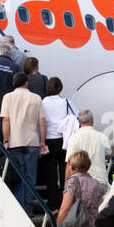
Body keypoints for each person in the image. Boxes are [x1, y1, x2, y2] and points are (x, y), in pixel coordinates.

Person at [0, 72, 47, 214]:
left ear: (14, 83)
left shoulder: (8, 97)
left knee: (18, 177)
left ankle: (19, 210)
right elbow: (42, 121)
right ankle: (28, 208)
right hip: (32, 141)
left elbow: (6, 120)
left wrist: (6, 140)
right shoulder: (36, 98)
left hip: (15, 143)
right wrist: (42, 141)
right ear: (26, 83)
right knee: (30, 177)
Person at [40, 77, 71, 208]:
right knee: (65, 170)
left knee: (50, 171)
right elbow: (75, 116)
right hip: (63, 140)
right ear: (60, 88)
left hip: (48, 140)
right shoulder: (65, 102)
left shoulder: (42, 102)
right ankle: (66, 198)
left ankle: (53, 202)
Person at [65, 110, 112, 185]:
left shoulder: (73, 138)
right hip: (101, 181)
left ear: (79, 122)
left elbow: (69, 164)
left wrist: (66, 185)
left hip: (81, 184)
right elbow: (108, 156)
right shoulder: (102, 137)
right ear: (92, 120)